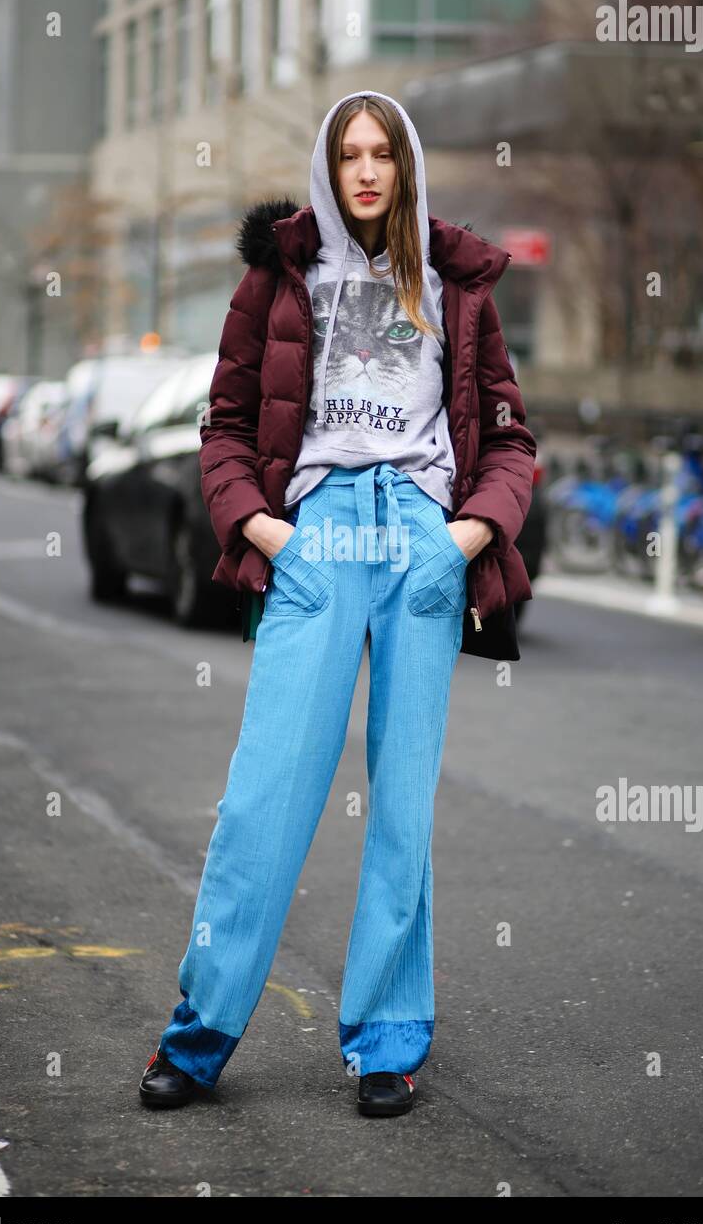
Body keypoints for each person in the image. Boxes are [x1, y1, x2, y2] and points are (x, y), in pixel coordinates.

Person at [139, 90, 535, 1118]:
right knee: (262, 799)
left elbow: (507, 443)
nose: (365, 171)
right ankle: (201, 1032)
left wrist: (465, 537)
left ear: (404, 169)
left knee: (400, 805)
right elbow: (223, 428)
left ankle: (387, 1040)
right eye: (348, 153)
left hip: (416, 535)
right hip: (315, 537)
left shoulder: (459, 288)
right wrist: (265, 532)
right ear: (328, 163)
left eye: (382, 155)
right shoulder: (276, 277)